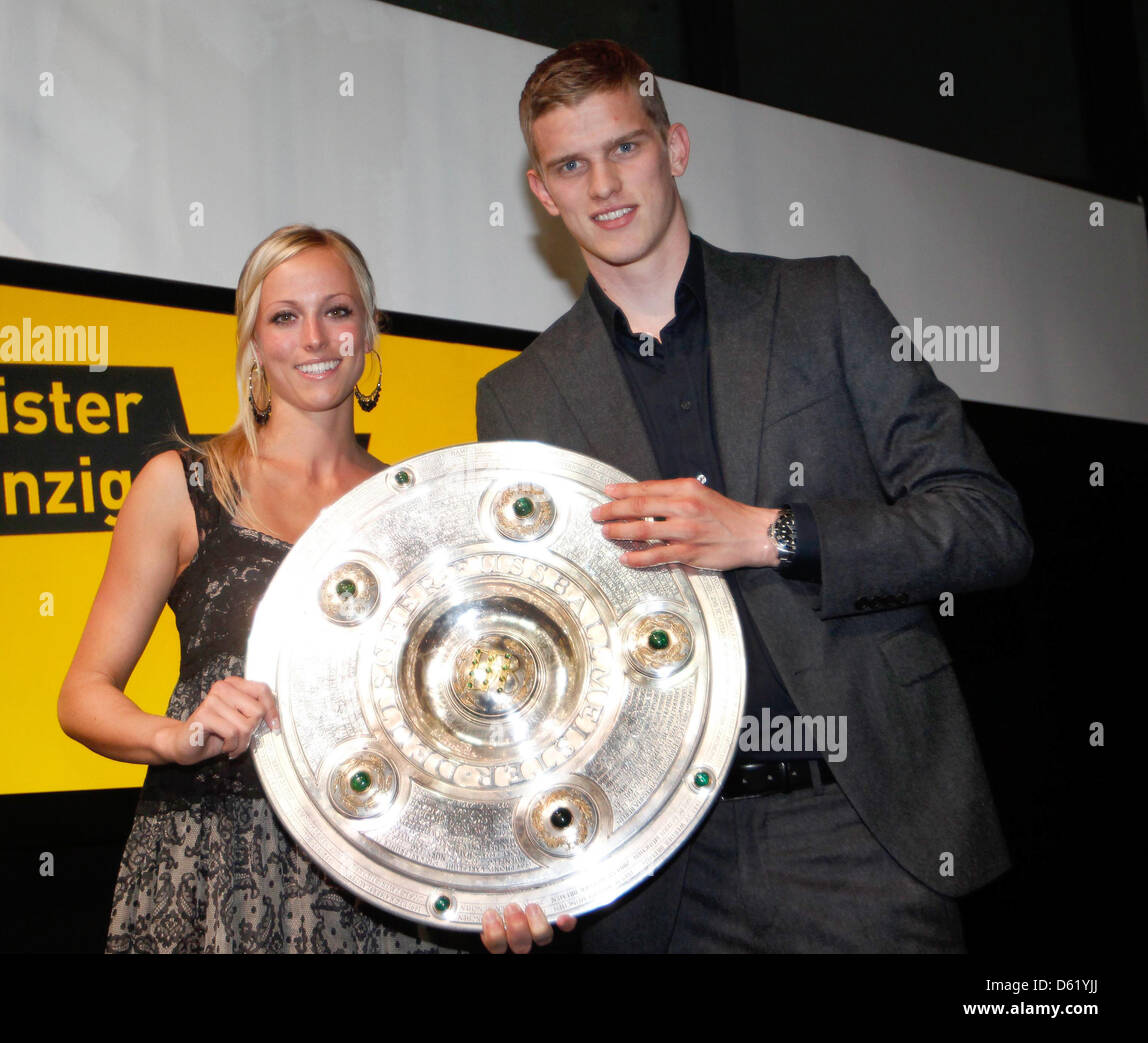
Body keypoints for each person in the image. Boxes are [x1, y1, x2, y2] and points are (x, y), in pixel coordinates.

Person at [475, 40, 1032, 953]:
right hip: (651, 862)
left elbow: (986, 524)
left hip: (852, 823)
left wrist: (771, 534)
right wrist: (520, 856)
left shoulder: (822, 301)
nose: (605, 185)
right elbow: (538, 649)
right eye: (571, 164)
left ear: (675, 147)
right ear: (543, 192)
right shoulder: (520, 395)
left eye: (626, 147)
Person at [58, 224, 466, 953]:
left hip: (379, 870)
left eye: (337, 312)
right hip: (215, 862)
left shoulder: (414, 512)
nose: (314, 337)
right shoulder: (186, 484)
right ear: (253, 342)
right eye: (284, 317)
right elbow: (83, 693)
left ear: (368, 332)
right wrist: (175, 738)